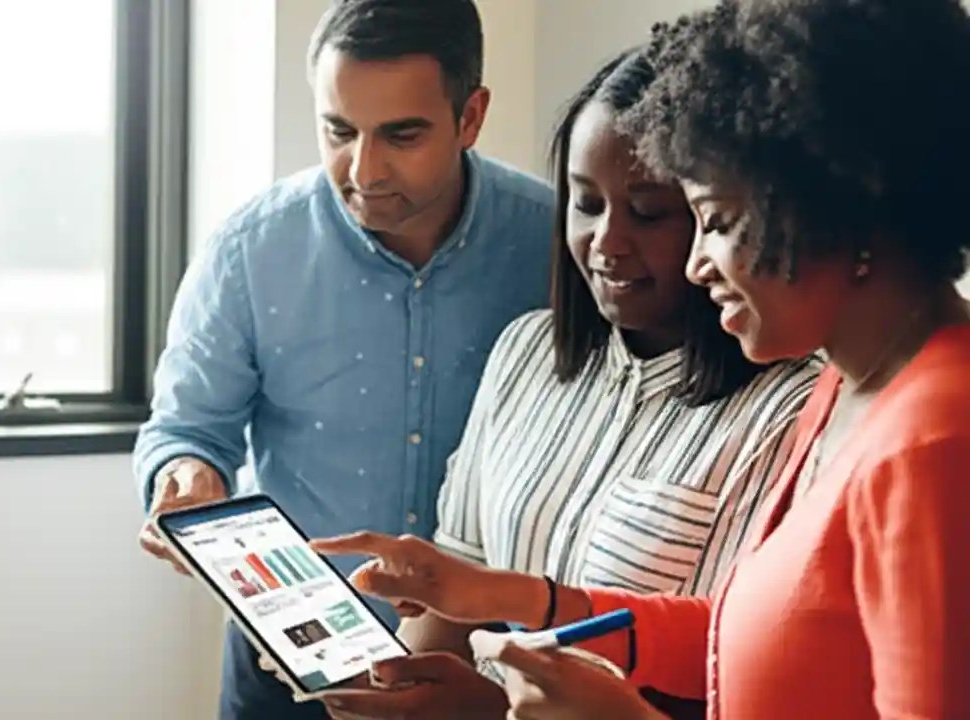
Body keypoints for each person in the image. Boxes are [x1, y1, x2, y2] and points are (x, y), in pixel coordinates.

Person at [314, 1, 970, 718]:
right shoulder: (850, 389)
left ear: (833, 209)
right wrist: (508, 596)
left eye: (714, 221)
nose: (697, 264)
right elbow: (732, 634)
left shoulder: (935, 440)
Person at [131, 1, 557, 718]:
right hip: (287, 664)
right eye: (338, 130)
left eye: (402, 134)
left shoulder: (553, 246)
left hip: (479, 677)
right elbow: (188, 430)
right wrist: (187, 478)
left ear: (471, 116)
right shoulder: (250, 250)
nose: (363, 169)